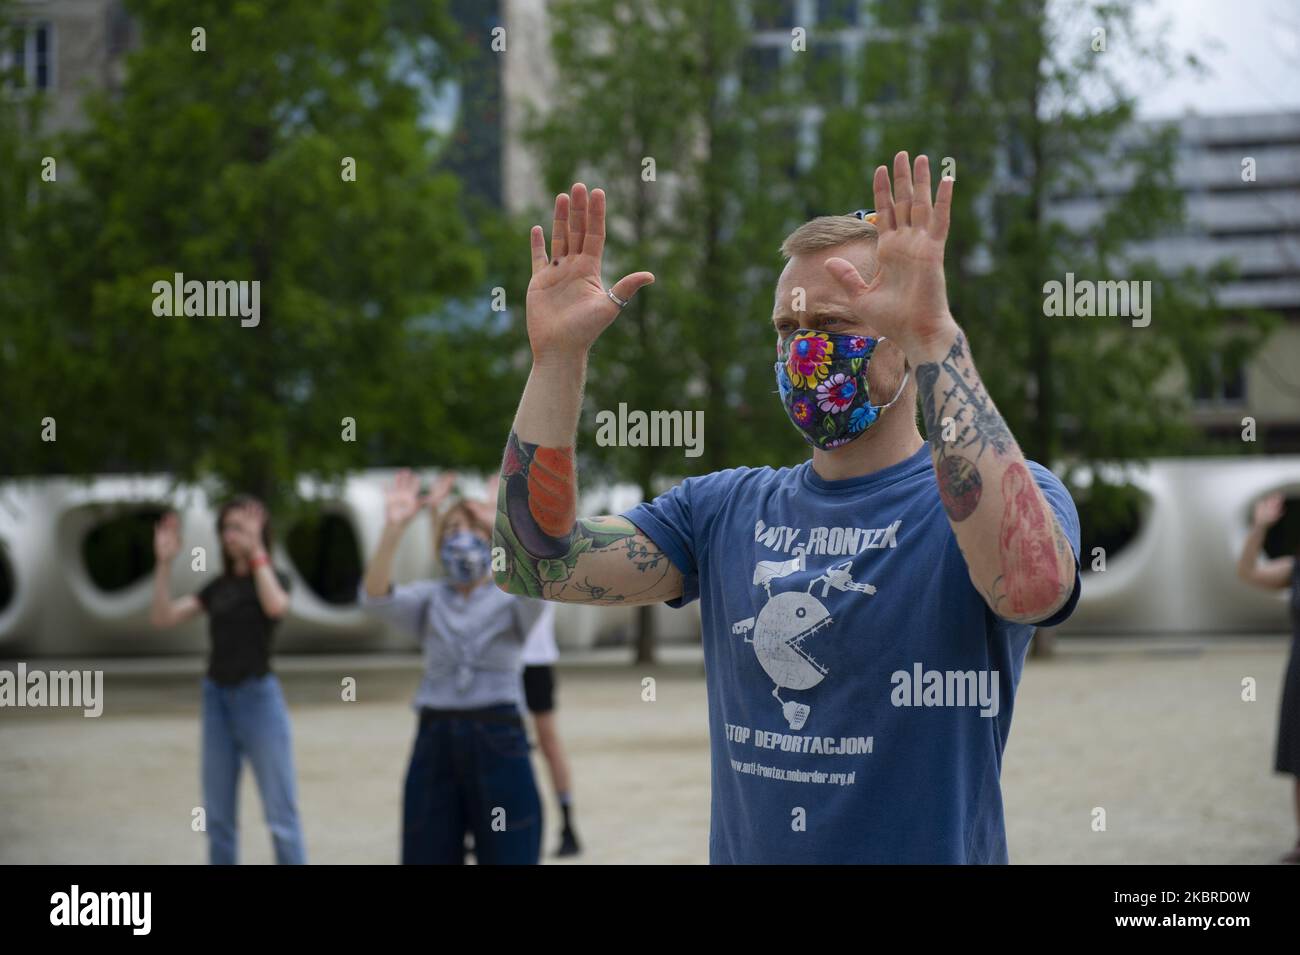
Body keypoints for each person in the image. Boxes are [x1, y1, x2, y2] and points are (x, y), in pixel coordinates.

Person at [491, 152, 1082, 864]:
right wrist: (557, 360)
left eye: (830, 322)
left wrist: (933, 337)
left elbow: (1031, 587)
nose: (803, 349)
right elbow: (533, 562)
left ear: (897, 329)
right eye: (785, 328)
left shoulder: (1004, 495)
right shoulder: (721, 510)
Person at [359, 469, 547, 864]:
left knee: (511, 851)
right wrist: (394, 529)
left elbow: (538, 583)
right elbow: (375, 597)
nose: (461, 537)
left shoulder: (510, 597)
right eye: (452, 528)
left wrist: (510, 521)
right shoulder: (429, 598)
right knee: (426, 852)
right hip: (435, 738)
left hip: (498, 736)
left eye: (474, 528)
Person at [150, 496, 305, 865]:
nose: (232, 534)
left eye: (241, 526)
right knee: (218, 818)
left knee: (280, 814)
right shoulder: (216, 588)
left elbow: (276, 607)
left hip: (259, 699)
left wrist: (258, 552)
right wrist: (163, 565)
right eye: (228, 527)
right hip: (217, 699)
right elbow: (163, 617)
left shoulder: (273, 578)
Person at [1236, 492, 1300, 864]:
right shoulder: (1295, 569)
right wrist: (1259, 526)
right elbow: (1247, 571)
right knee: (1298, 757)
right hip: (1299, 671)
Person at [519, 602, 583, 856]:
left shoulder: (536, 560)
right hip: (499, 660)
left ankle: (568, 826)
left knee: (548, 743)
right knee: (500, 743)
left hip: (535, 659)